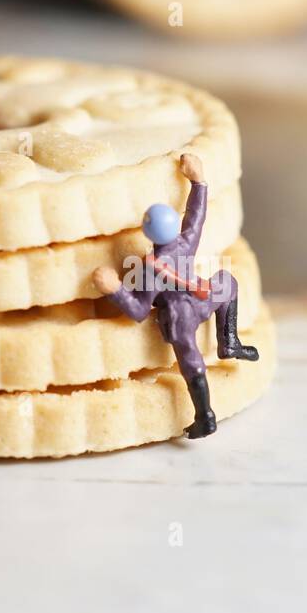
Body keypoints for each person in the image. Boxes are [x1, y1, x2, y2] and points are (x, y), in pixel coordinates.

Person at [93, 153, 258, 439]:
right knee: (227, 282)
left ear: (147, 232)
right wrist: (199, 181)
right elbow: (196, 217)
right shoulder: (185, 243)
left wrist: (115, 289)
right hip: (201, 298)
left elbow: (138, 311)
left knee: (191, 360)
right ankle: (229, 342)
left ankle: (206, 414)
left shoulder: (148, 271)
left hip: (179, 316)